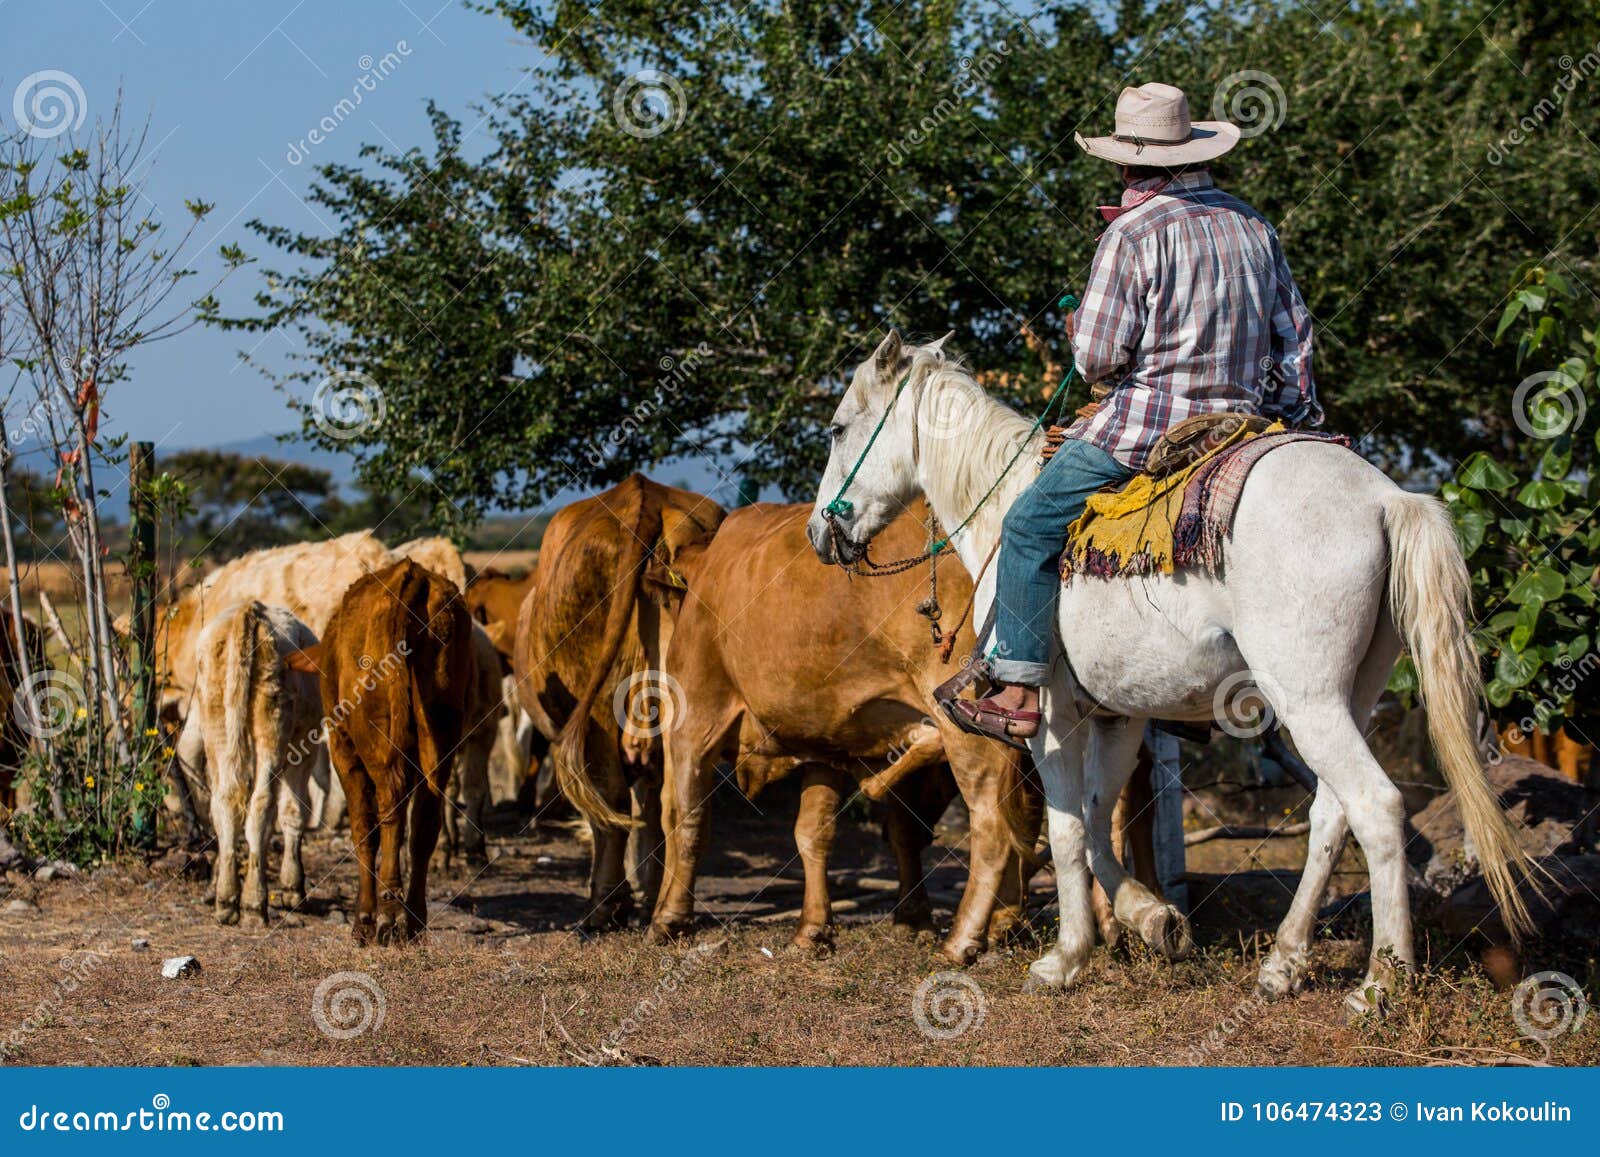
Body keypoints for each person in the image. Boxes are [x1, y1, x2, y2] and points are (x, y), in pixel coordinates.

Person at [949, 82, 1321, 747]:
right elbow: (1295, 335)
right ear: (1193, 152)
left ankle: (1016, 688)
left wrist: (1078, 334)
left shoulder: (1132, 232)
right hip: (1245, 427)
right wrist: (1294, 418)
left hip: (1147, 431)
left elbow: (1097, 359)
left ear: (1126, 164)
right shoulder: (1252, 225)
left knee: (1029, 526)